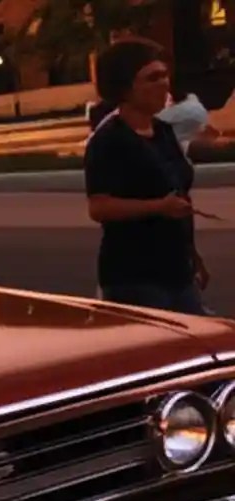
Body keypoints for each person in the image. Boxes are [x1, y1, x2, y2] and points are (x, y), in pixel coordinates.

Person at [84, 39, 209, 315]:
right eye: (152, 78)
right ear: (124, 88)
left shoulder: (163, 131)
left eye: (165, 75)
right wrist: (158, 207)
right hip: (136, 276)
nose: (164, 83)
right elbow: (99, 207)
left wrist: (193, 256)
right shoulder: (109, 140)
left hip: (178, 270)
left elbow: (178, 192)